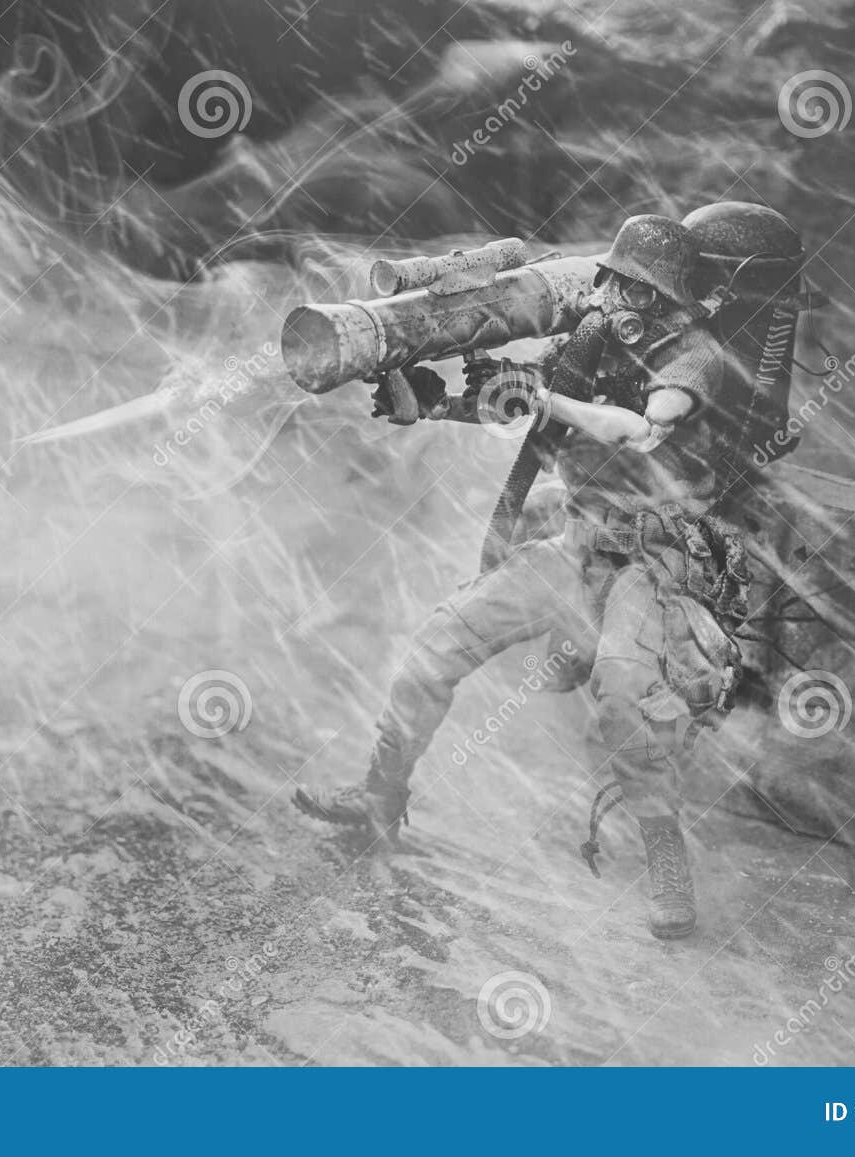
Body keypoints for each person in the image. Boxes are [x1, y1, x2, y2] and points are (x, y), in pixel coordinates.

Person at [292, 214, 753, 940]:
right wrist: (431, 404)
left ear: (667, 300)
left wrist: (546, 400)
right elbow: (519, 404)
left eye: (635, 289)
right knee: (438, 643)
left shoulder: (697, 359)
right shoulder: (592, 341)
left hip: (654, 562)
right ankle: (382, 794)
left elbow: (641, 428)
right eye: (614, 283)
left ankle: (666, 858)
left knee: (624, 700)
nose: (615, 299)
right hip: (577, 547)